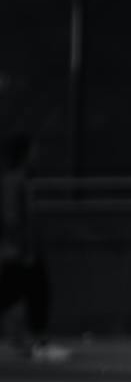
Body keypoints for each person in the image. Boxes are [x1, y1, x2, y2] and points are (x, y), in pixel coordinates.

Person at [0, 134, 67, 361]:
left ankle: (38, 341)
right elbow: (13, 219)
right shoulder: (14, 181)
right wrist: (25, 249)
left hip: (22, 250)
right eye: (33, 151)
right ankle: (39, 342)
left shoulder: (20, 180)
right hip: (20, 252)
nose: (36, 156)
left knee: (22, 292)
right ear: (23, 155)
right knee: (32, 292)